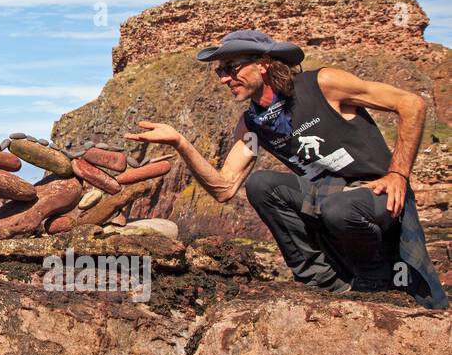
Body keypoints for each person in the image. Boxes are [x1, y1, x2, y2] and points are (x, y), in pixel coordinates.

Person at [125, 29, 447, 309]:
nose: (224, 78)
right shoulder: (254, 124)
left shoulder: (323, 84)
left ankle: (375, 281)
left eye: (232, 68)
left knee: (339, 207)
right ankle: (323, 281)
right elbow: (225, 187)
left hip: (376, 193)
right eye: (219, 71)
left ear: (263, 63)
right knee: (262, 184)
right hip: (327, 196)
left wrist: (398, 173)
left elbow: (410, 104)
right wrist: (181, 142)